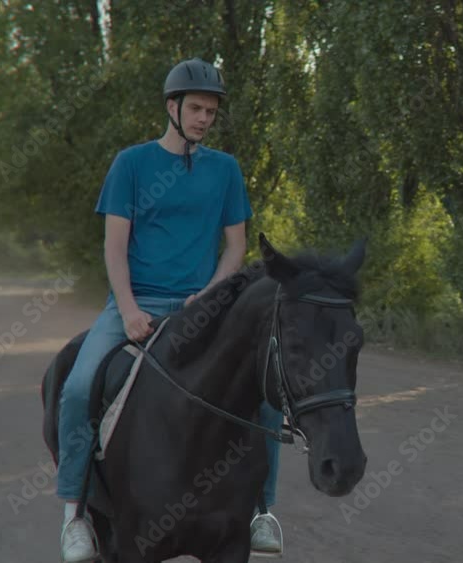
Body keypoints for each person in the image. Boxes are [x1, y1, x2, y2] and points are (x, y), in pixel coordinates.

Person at [57, 57, 284, 561]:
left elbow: (235, 247)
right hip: (135, 302)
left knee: (265, 392)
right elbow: (115, 247)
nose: (205, 118)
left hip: (204, 304)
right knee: (77, 387)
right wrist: (131, 308)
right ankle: (74, 517)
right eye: (197, 108)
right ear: (172, 107)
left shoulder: (225, 170)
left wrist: (211, 296)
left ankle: (261, 512)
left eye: (211, 111)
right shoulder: (131, 164)